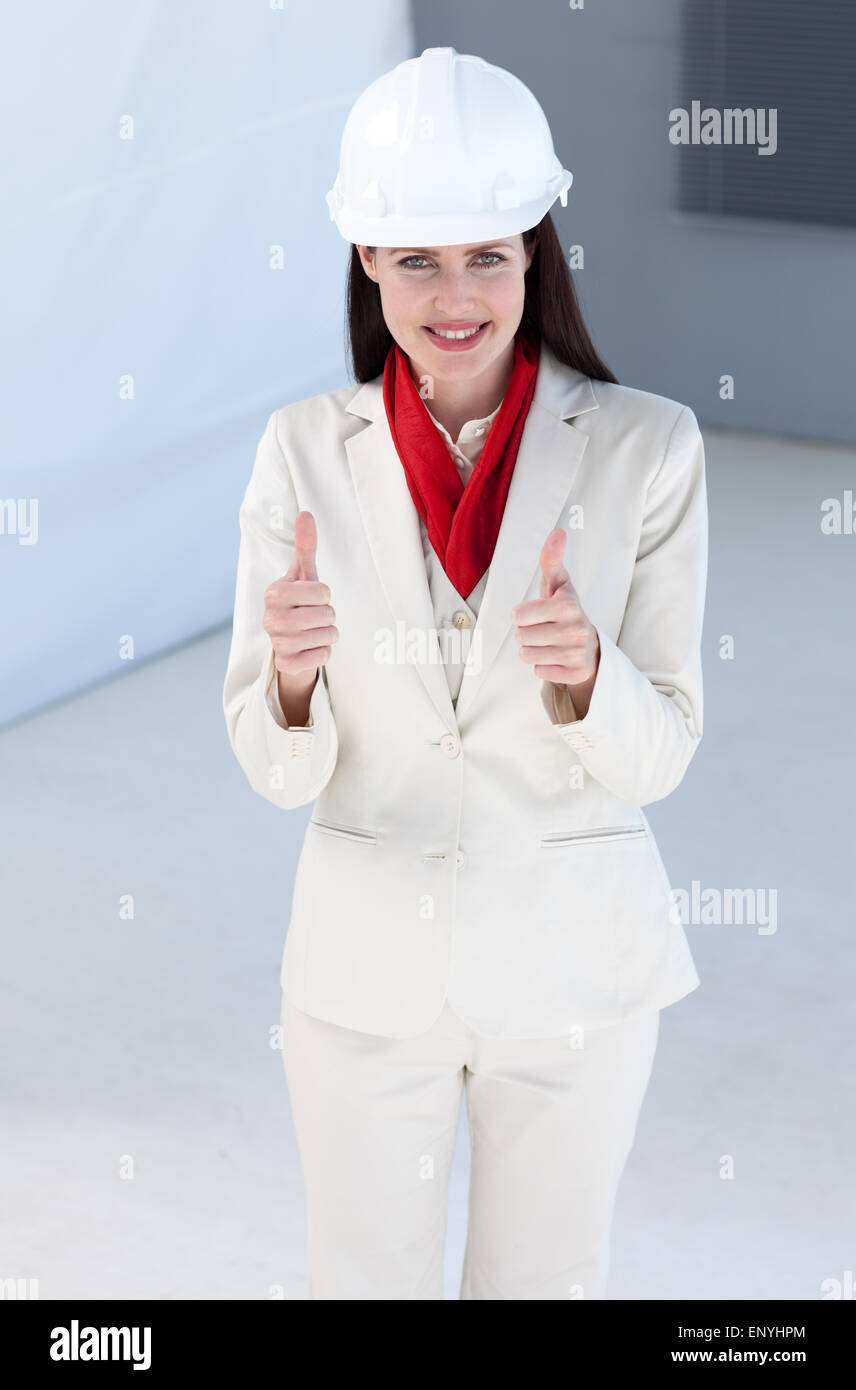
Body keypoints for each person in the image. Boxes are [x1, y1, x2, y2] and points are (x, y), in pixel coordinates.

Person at [222, 46, 708, 1300]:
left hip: (575, 978)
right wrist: (287, 679)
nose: (456, 293)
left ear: (535, 250)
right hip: (363, 974)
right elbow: (276, 771)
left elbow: (663, 752)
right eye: (419, 257)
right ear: (367, 258)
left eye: (488, 253)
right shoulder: (299, 454)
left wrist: (588, 674)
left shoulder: (649, 449)